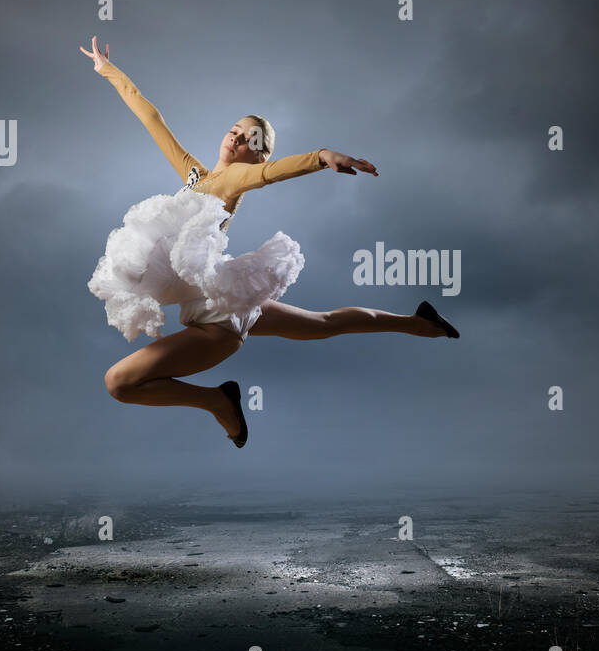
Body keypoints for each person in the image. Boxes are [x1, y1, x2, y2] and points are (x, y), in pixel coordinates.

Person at [79, 36, 459, 448]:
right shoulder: (197, 175)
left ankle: (217, 401)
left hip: (216, 325)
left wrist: (321, 156)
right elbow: (153, 120)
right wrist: (109, 71)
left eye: (248, 141)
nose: (236, 139)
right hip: (227, 299)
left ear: (256, 155)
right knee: (323, 324)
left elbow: (270, 172)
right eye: (234, 131)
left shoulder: (236, 179)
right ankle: (420, 324)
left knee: (119, 382)